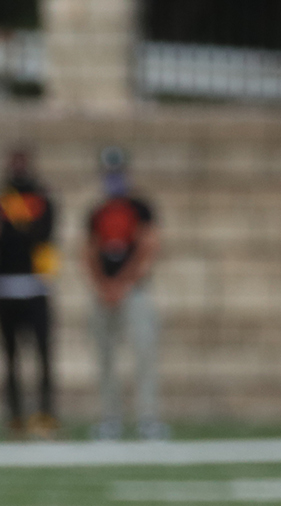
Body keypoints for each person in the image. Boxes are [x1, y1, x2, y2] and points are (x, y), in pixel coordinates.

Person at [85, 147, 163, 441]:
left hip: (134, 291)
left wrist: (123, 282)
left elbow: (148, 246)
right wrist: (103, 285)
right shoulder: (97, 211)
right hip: (105, 293)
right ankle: (110, 418)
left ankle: (147, 418)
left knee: (144, 353)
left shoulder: (140, 208)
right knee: (105, 357)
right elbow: (89, 251)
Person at [0, 146, 58, 439]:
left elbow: (43, 234)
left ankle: (45, 413)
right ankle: (15, 416)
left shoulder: (42, 197)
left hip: (35, 285)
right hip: (5, 285)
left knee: (43, 354)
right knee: (10, 357)